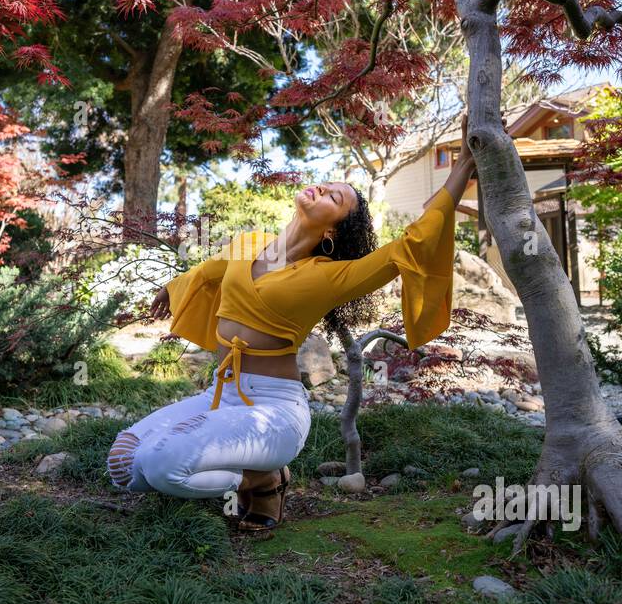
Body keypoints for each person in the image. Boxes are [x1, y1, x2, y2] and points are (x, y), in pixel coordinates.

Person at [107, 147, 476, 532]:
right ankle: (226, 466)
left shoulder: (327, 277)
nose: (322, 188)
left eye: (335, 197)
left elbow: (412, 244)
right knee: (123, 464)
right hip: (221, 396)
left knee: (159, 464)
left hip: (274, 413)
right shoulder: (251, 243)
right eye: (326, 184)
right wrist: (173, 286)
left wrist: (463, 166)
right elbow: (210, 270)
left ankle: (264, 480)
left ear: (332, 231)